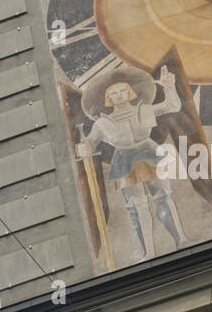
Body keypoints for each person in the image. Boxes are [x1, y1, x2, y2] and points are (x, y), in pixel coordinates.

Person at [77, 65, 188, 261]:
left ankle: (182, 241)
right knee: (138, 208)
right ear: (108, 99)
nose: (119, 96)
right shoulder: (102, 123)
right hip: (124, 161)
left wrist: (169, 87)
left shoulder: (144, 109)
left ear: (130, 93)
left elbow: (172, 106)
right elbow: (91, 143)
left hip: (150, 153)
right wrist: (84, 147)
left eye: (122, 91)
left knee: (164, 198)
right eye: (114, 93)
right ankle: (149, 254)